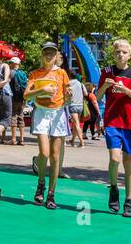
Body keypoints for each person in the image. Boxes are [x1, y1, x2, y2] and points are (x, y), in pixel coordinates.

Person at [96, 38, 131, 218]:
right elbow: (98, 95)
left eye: (124, 52)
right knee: (114, 157)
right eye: (117, 51)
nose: (120, 54)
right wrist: (105, 85)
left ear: (130, 55)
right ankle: (113, 188)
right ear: (113, 54)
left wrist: (125, 90)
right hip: (112, 121)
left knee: (128, 160)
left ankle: (128, 200)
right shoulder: (107, 72)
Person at [25, 42, 71, 210]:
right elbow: (26, 95)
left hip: (58, 113)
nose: (49, 55)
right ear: (42, 55)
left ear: (56, 55)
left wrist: (69, 95)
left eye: (52, 52)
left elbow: (67, 95)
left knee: (55, 156)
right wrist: (41, 89)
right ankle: (41, 183)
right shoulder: (35, 73)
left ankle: (51, 193)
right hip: (42, 113)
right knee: (44, 153)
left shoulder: (62, 73)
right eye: (46, 52)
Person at [9, 56, 28, 146]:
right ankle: (22, 139)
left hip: (13, 98)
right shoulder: (23, 73)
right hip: (22, 98)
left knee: (13, 117)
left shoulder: (11, 73)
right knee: (21, 117)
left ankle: (13, 139)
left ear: (13, 64)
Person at [67, 72, 86, 149]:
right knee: (75, 123)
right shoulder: (81, 84)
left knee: (77, 123)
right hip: (80, 105)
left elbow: (67, 93)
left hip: (73, 105)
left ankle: (82, 142)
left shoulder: (69, 83)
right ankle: (72, 140)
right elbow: (86, 94)